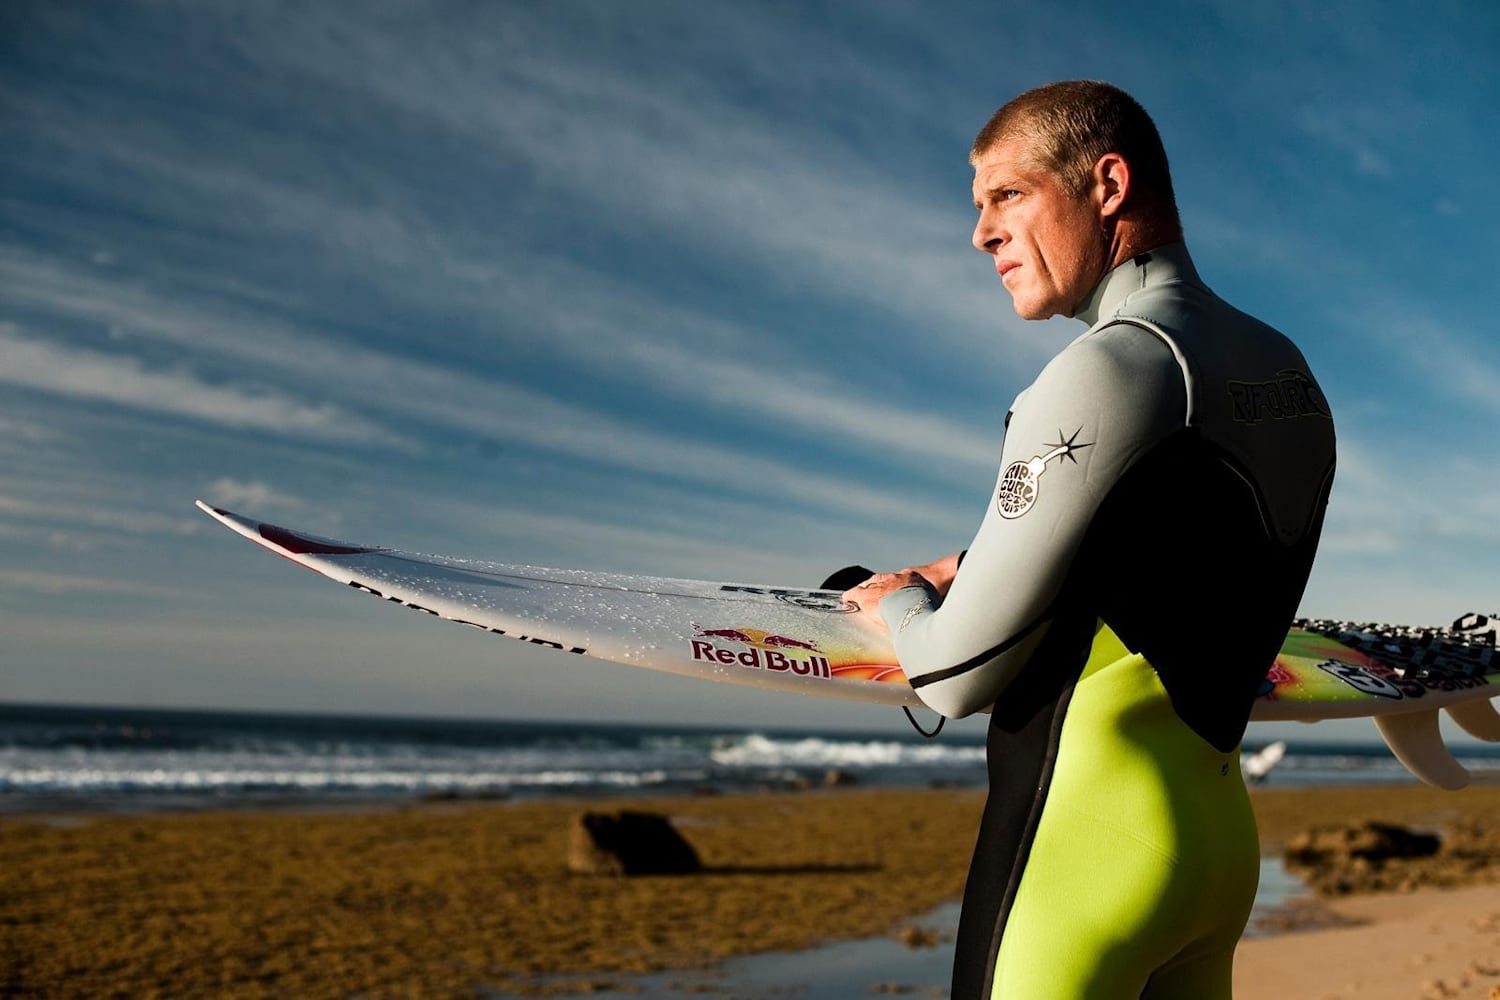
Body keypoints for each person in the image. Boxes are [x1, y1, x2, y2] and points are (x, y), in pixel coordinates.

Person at [845, 81, 1336, 999]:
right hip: (1216, 849)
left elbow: (956, 677)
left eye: (1008, 195)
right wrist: (972, 564)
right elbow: (1179, 555)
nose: (981, 234)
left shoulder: (1109, 365)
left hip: (1080, 868)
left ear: (1107, 184)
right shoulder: (1286, 369)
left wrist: (899, 601)